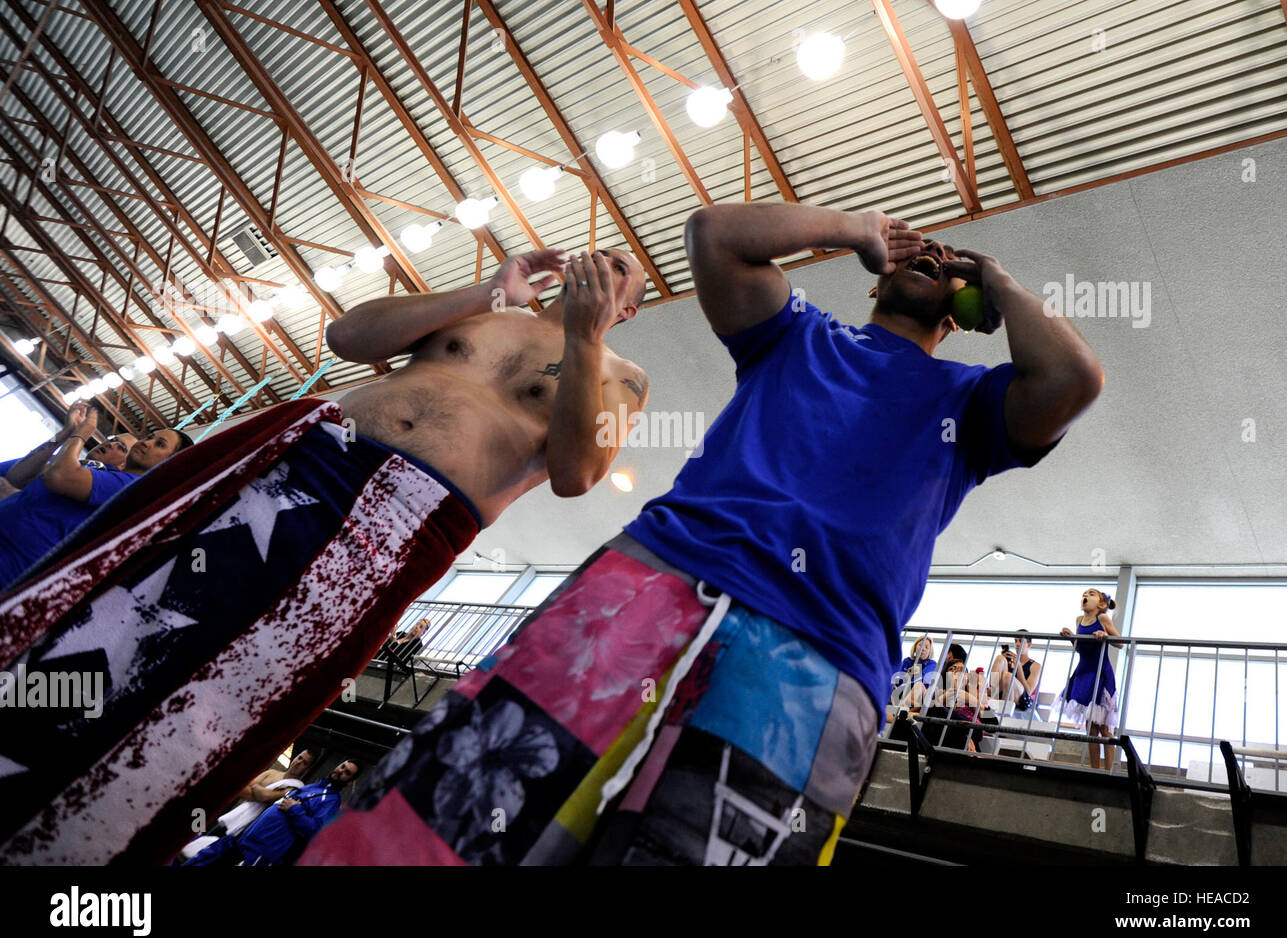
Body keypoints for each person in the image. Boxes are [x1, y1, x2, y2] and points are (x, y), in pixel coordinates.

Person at [300, 200, 1103, 867]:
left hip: (819, 658)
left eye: (945, 262)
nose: (930, 255)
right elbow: (713, 235)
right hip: (655, 579)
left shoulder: (973, 402)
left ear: (965, 309)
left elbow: (1074, 378)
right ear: (879, 275)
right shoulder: (798, 335)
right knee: (452, 811)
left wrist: (996, 277)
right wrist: (856, 228)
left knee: (698, 851)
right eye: (914, 250)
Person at [0, 248, 648, 864]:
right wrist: (492, 289)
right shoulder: (489, 312)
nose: (607, 263)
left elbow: (580, 469)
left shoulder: (624, 375)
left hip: (405, 514)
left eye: (624, 269)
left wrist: (587, 340)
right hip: (308, 451)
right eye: (603, 254)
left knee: (230, 670)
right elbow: (350, 337)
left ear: (631, 308)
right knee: (132, 595)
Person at [0, 406, 190, 590]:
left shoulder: (131, 487)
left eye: (160, 444)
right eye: (150, 436)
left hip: (10, 563)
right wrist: (68, 432)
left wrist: (82, 434)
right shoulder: (96, 471)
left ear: (170, 463)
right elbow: (16, 477)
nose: (146, 442)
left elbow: (58, 476)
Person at [183, 759, 359, 866]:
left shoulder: (331, 801)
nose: (340, 771)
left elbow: (315, 832)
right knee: (204, 858)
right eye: (342, 766)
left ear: (350, 782)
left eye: (346, 772)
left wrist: (295, 809)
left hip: (262, 851)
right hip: (245, 839)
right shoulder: (312, 788)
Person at [176, 746, 317, 861]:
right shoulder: (272, 773)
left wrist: (257, 790)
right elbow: (242, 790)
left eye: (304, 763)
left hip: (244, 829)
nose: (298, 763)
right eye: (299, 758)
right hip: (232, 817)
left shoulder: (295, 788)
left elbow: (265, 796)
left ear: (307, 769)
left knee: (205, 858)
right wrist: (258, 793)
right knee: (191, 846)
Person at [0, 403, 134, 500]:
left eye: (121, 447)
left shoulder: (97, 488)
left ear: (123, 465)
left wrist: (15, 497)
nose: (111, 444)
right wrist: (67, 432)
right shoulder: (55, 460)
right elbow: (14, 477)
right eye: (112, 439)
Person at [1060, 589, 1120, 769]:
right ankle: (1095, 769)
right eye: (1084, 593)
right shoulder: (1079, 620)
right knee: (1091, 726)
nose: (1086, 596)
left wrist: (1105, 636)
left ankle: (1109, 770)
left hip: (1100, 671)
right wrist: (1072, 638)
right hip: (1084, 671)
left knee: (1104, 728)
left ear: (1101, 604)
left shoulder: (1103, 619)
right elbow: (1080, 649)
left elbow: (1120, 642)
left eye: (1091, 594)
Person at [989, 629, 1041, 716]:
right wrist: (1005, 660)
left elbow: (1028, 692)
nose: (1017, 644)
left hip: (1022, 698)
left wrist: (1018, 666)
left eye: (1021, 641)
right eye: (1015, 641)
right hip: (1000, 693)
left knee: (1008, 676)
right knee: (1000, 658)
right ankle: (993, 701)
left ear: (1029, 644)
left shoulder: (1036, 666)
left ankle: (1000, 714)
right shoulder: (1010, 661)